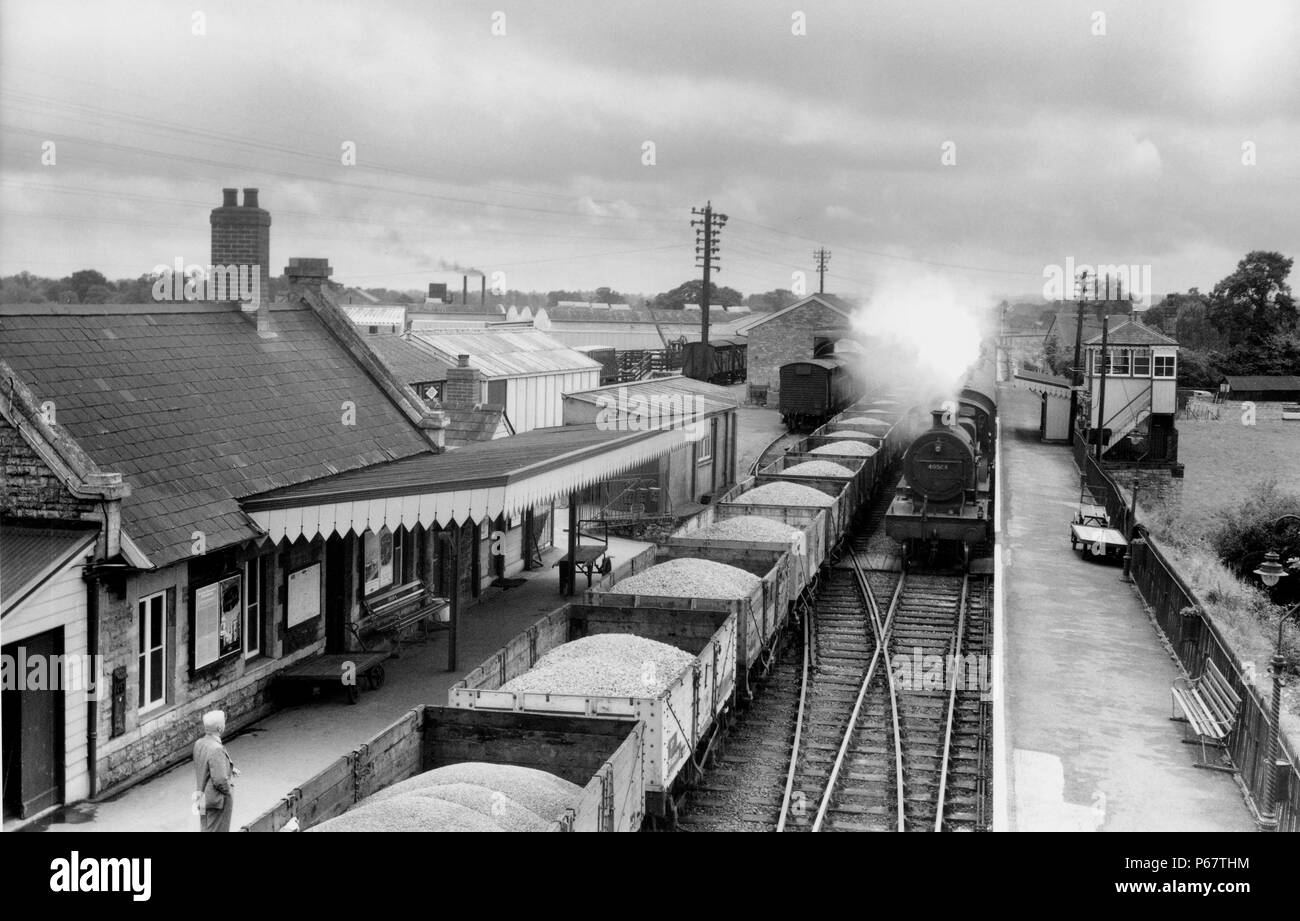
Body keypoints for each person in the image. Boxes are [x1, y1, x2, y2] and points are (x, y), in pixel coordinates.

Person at [193, 710, 238, 832]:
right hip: (216, 800)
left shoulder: (199, 743)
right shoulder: (216, 749)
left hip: (202, 796)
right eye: (224, 722)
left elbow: (205, 764)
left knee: (206, 828)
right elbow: (219, 780)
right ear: (219, 728)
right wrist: (229, 791)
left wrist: (229, 768)